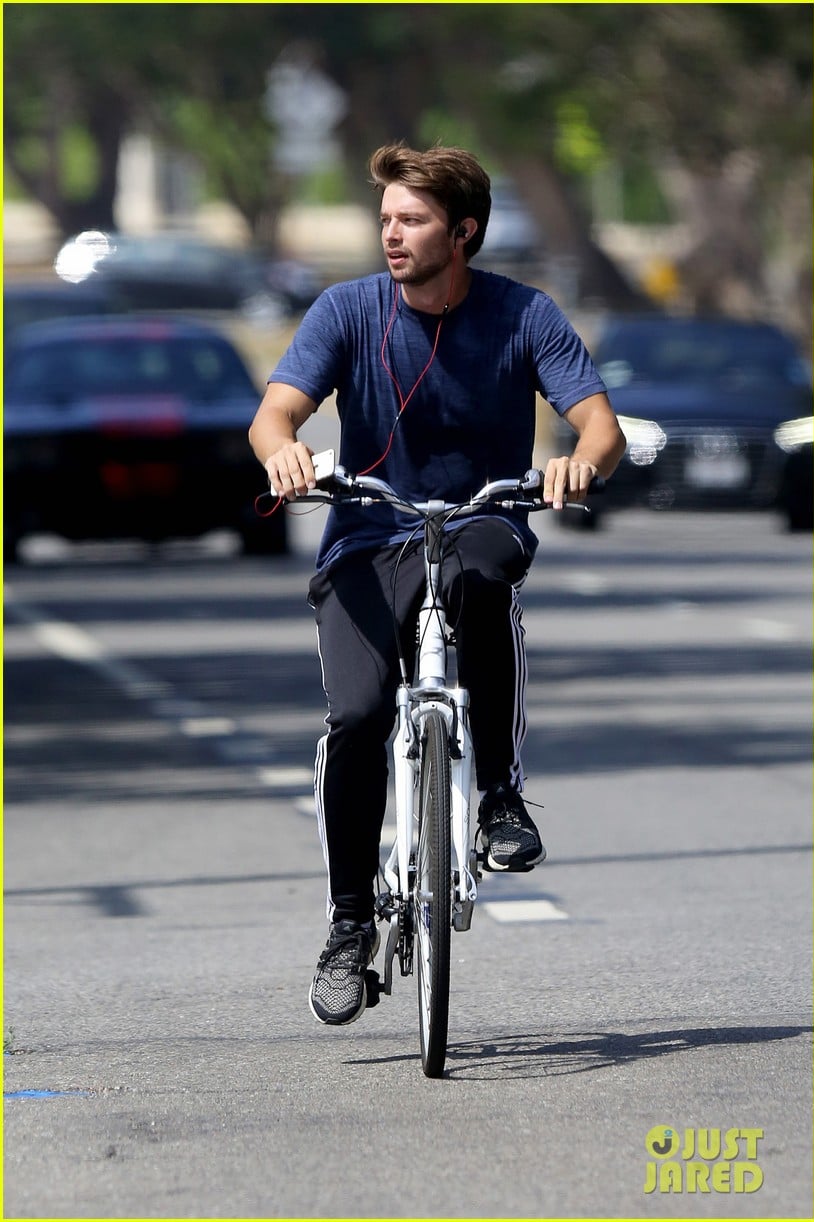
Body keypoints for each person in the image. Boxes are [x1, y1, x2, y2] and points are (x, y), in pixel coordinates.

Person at [249, 143, 626, 1026]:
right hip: (367, 533)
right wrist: (285, 453)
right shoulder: (346, 310)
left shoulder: (523, 314)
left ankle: (497, 795)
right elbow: (275, 414)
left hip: (479, 518)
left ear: (462, 232)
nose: (391, 234)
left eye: (411, 220)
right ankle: (348, 925)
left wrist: (577, 465)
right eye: (385, 218)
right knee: (356, 716)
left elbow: (600, 429)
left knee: (481, 581)